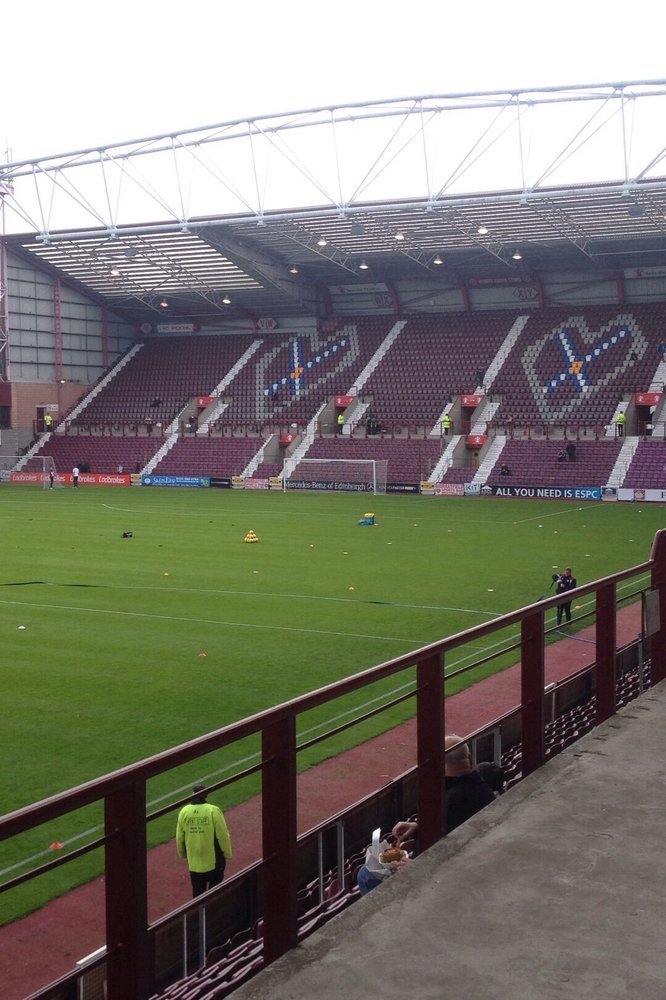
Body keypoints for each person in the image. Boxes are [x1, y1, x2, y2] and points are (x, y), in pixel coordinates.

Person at [391, 734, 495, 848]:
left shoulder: (449, 800)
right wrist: (417, 826)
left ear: (440, 763)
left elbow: (437, 843)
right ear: (469, 757)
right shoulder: (482, 786)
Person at [176, 782, 232, 898]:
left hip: (194, 862)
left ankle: (199, 915)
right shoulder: (213, 810)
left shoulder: (184, 811)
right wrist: (227, 853)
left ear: (192, 794)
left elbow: (179, 837)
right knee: (214, 894)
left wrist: (182, 854)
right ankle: (211, 915)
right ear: (206, 795)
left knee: (197, 895)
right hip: (214, 860)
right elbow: (223, 835)